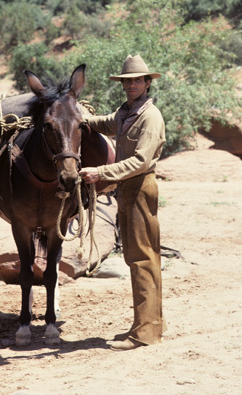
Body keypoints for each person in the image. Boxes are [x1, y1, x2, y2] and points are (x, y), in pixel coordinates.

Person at [79, 54, 166, 351]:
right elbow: (104, 123)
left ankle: (145, 333)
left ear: (146, 82)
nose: (131, 85)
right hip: (127, 189)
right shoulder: (127, 112)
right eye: (127, 81)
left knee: (143, 258)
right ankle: (150, 323)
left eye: (136, 81)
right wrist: (80, 117)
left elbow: (141, 161)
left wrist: (101, 172)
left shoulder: (150, 117)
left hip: (141, 186)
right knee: (136, 256)